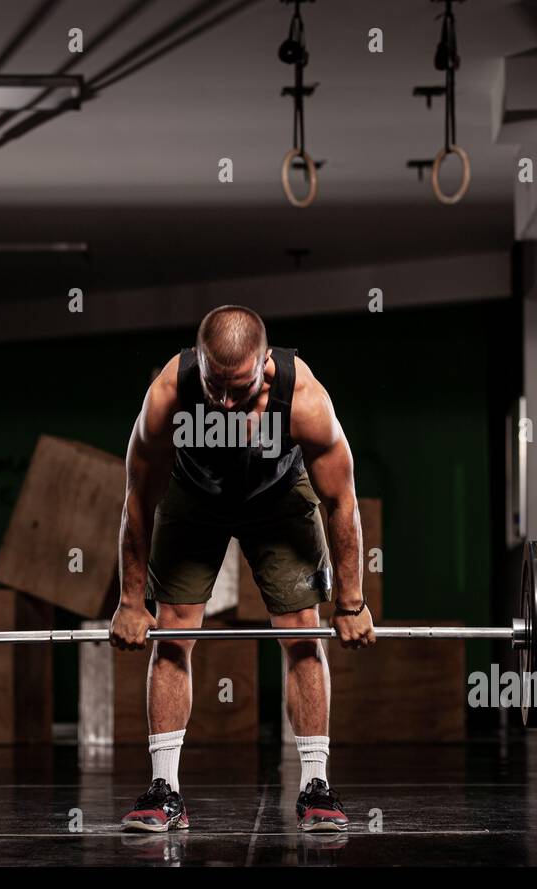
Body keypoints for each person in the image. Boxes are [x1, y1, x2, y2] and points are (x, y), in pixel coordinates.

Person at [109, 305, 374, 833]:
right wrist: (130, 602)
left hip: (276, 500)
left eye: (241, 389)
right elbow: (138, 500)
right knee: (173, 630)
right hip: (193, 499)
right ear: (200, 364)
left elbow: (342, 501)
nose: (226, 402)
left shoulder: (304, 401)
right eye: (215, 388)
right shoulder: (168, 395)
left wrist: (351, 602)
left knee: (302, 630)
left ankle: (316, 786)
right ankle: (165, 790)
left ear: (264, 366)